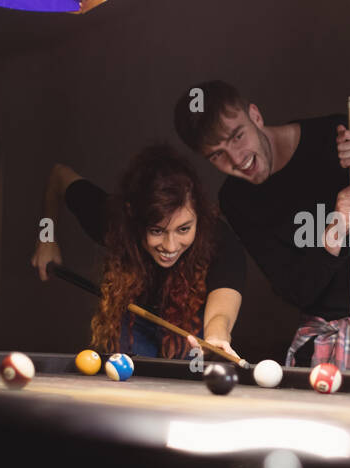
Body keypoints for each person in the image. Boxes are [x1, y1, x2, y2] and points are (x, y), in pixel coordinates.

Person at [173, 80, 350, 374]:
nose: (237, 159)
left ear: (255, 116)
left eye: (237, 137)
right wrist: (333, 234)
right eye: (217, 155)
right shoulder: (237, 199)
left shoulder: (337, 135)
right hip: (321, 337)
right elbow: (295, 291)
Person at [31, 145, 245, 360]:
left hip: (191, 322)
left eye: (183, 229)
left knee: (192, 369)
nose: (170, 246)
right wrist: (46, 238)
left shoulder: (219, 239)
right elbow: (59, 175)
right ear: (133, 214)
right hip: (134, 316)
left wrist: (216, 337)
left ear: (198, 213)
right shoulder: (113, 221)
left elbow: (220, 313)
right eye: (156, 230)